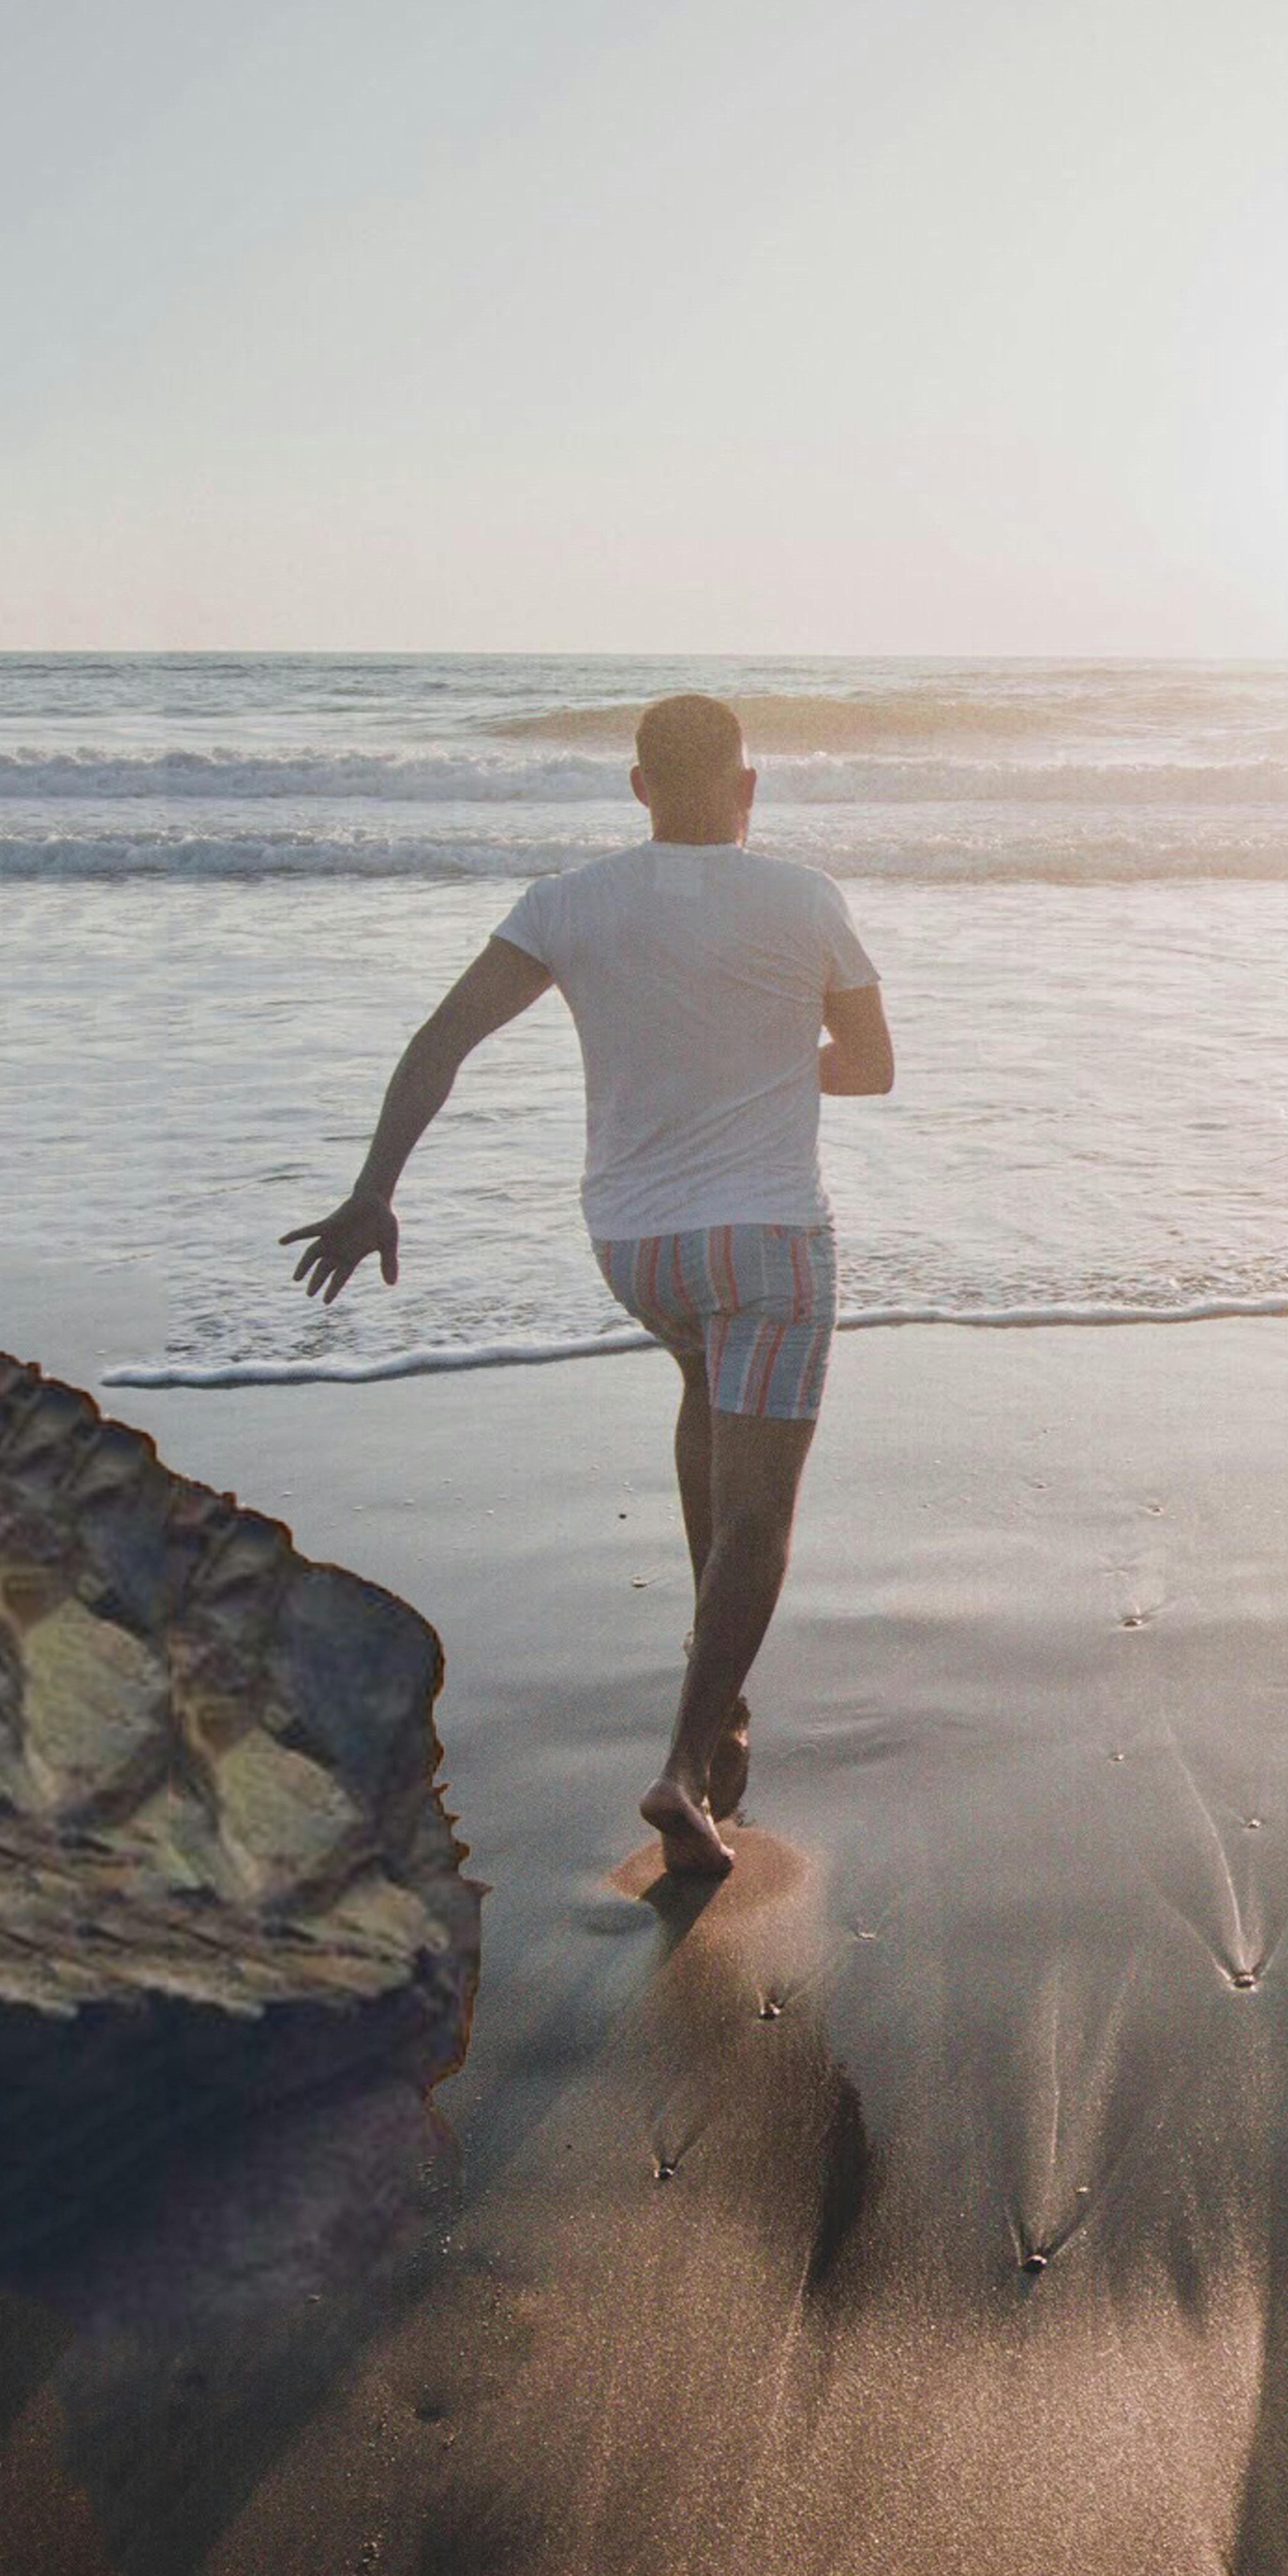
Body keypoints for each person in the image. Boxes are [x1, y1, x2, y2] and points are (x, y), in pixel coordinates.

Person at [284, 691, 893, 1876]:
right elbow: (870, 1066)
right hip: (767, 1242)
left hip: (636, 1248)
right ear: (747, 787)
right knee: (761, 1514)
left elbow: (439, 1041)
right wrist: (763, 1066)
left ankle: (722, 1690)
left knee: (704, 1397)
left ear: (636, 788)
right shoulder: (806, 898)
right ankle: (685, 1758)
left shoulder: (564, 906)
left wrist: (374, 1190)